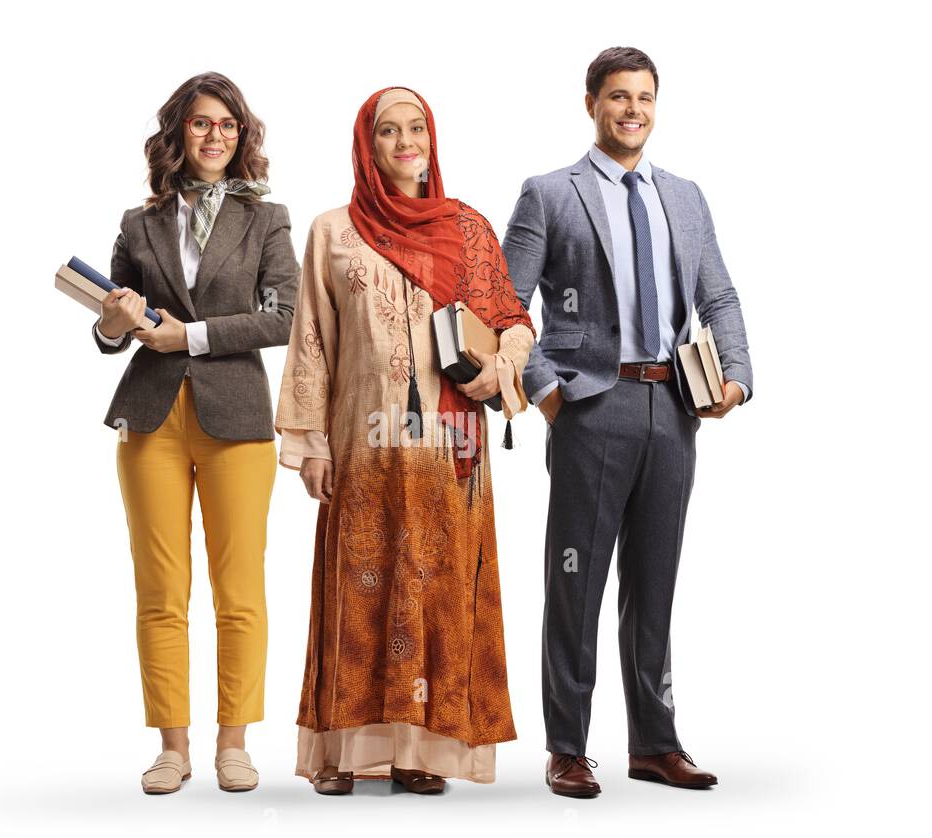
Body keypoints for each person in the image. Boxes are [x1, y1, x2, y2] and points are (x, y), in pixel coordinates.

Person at [501, 47, 754, 797]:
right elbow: (503, 307)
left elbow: (721, 297)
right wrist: (549, 393)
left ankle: (655, 742)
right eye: (618, 96)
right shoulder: (550, 193)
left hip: (672, 409)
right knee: (576, 583)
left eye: (644, 97)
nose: (633, 110)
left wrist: (735, 375)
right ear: (591, 103)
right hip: (591, 410)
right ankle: (568, 747)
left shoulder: (685, 195)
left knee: (655, 581)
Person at [274, 87, 536, 795]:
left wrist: (504, 367)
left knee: (437, 590)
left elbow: (512, 317)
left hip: (449, 449)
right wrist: (312, 447)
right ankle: (340, 750)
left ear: (431, 137)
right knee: (360, 589)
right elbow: (312, 344)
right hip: (363, 448)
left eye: (415, 127)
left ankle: (420, 751)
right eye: (388, 131)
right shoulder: (333, 231)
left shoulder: (467, 230)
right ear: (368, 144)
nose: (404, 141)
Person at [91, 72, 299, 794]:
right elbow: (114, 330)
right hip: (150, 416)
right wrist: (112, 322)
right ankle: (172, 746)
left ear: (242, 138)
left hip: (236, 416)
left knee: (239, 586)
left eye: (228, 126)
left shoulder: (266, 219)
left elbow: (284, 317)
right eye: (202, 124)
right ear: (178, 133)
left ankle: (233, 742)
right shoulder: (137, 221)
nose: (215, 136)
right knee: (160, 587)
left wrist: (195, 335)